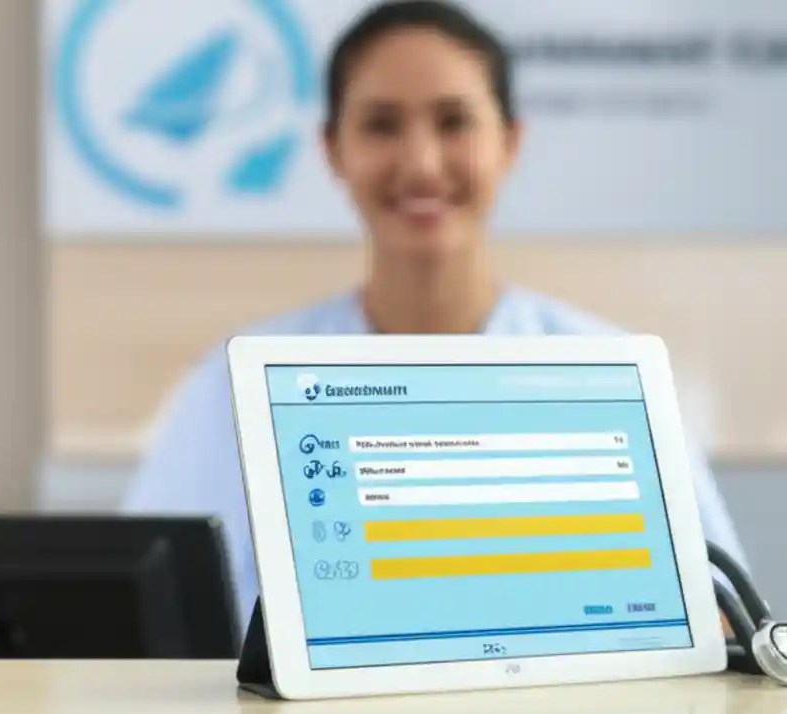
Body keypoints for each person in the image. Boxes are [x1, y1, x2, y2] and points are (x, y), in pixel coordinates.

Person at [121, 0, 748, 628]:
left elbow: (723, 626)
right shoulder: (234, 386)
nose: (421, 163)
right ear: (333, 149)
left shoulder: (613, 378)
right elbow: (146, 618)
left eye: (454, 122)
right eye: (381, 125)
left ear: (510, 142)